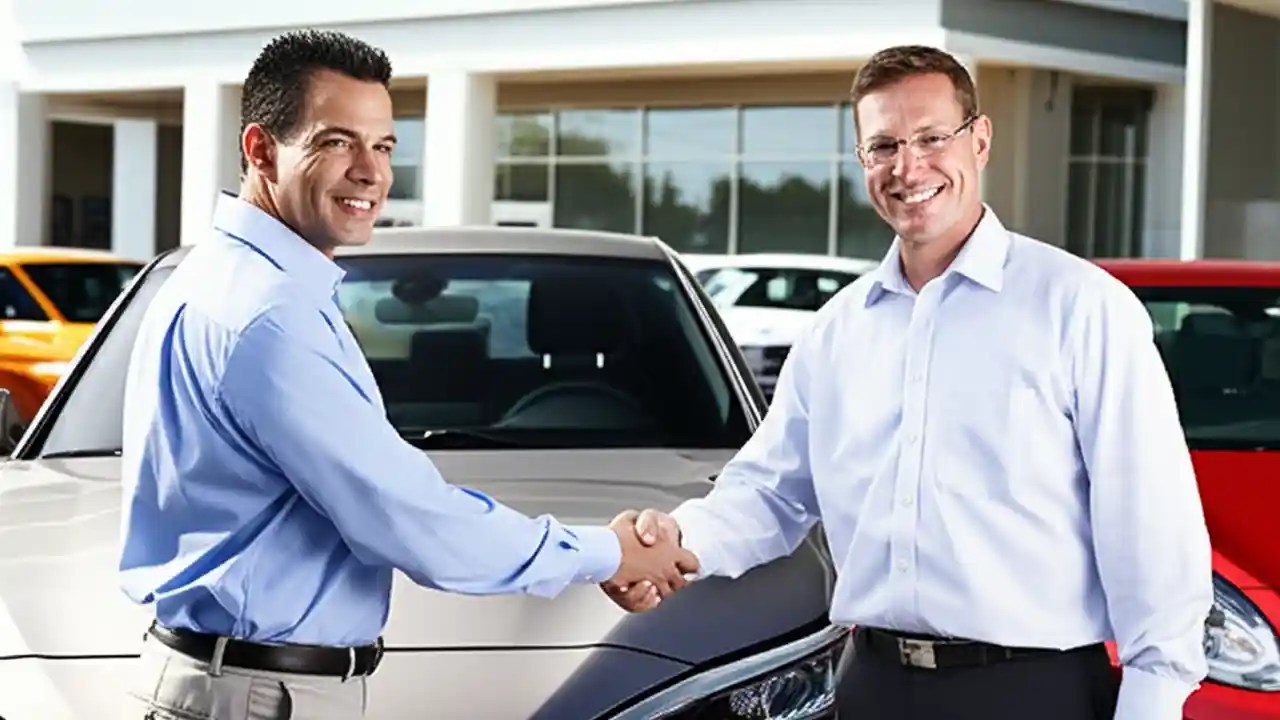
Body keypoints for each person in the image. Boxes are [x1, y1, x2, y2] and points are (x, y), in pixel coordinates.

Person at [602, 45, 1213, 720]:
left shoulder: (1081, 309)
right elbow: (769, 494)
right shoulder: (837, 332)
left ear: (979, 140)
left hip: (1033, 693)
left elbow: (1151, 526)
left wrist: (1155, 698)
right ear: (863, 161)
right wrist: (675, 542)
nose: (908, 166)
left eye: (930, 138)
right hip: (873, 688)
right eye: (883, 145)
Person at [117, 29, 696, 719]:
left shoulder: (217, 279)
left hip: (224, 681)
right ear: (261, 149)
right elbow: (412, 521)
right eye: (337, 142)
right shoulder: (267, 316)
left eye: (384, 145)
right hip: (256, 696)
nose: (371, 171)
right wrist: (611, 551)